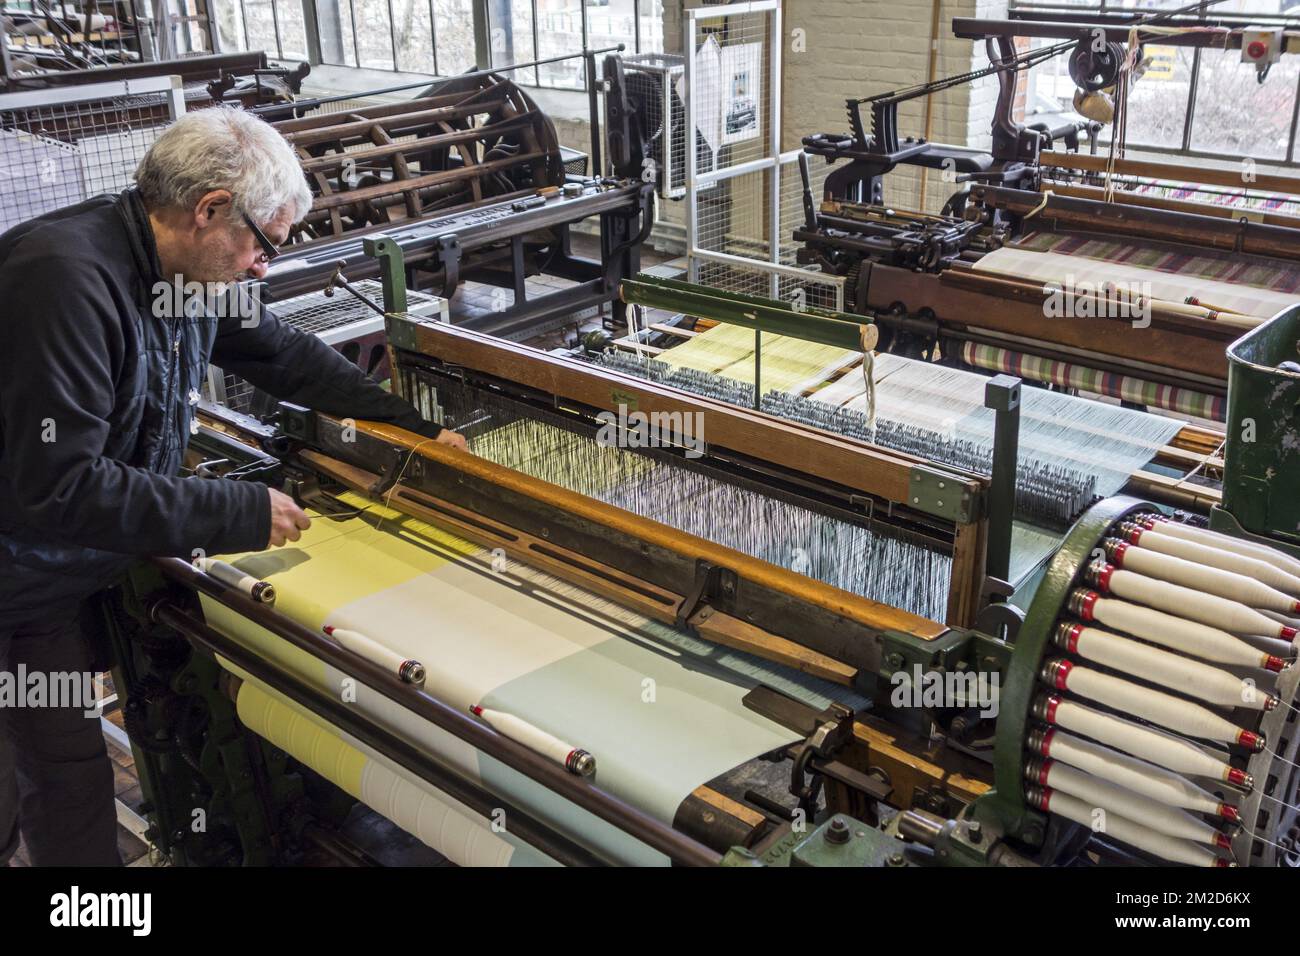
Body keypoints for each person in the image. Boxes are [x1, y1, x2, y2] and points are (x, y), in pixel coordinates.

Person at [0, 106, 465, 865]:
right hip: (16, 562)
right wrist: (237, 509)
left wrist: (406, 427)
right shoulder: (66, 282)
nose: (265, 267)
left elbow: (281, 352)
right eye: (264, 244)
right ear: (210, 209)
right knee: (28, 778)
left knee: (65, 771)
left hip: (51, 571)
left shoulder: (177, 274)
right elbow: (61, 484)